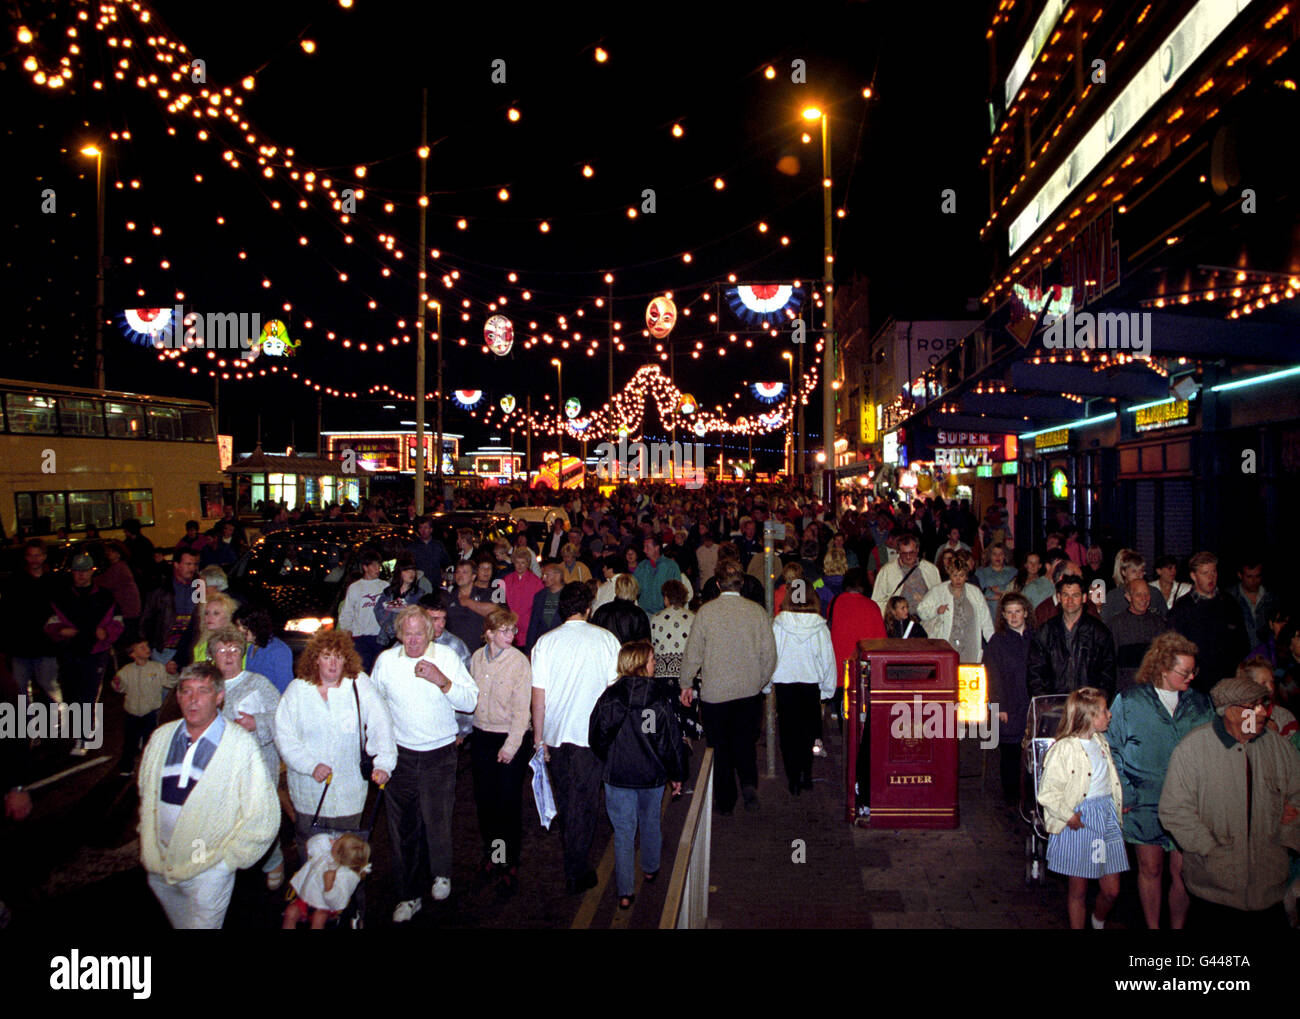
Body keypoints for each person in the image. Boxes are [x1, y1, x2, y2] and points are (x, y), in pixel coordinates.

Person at [138, 662, 280, 928]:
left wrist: (228, 862)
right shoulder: (161, 737)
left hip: (208, 867)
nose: (193, 700)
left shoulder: (239, 744)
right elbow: (147, 793)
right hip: (160, 863)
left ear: (219, 697)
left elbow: (264, 814)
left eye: (202, 691)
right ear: (177, 695)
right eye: (186, 691)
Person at [1159, 675, 1300, 927]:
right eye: (1253, 706)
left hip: (1269, 890)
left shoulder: (1279, 748)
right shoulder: (1193, 749)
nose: (1262, 713)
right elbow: (1174, 810)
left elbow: (1297, 795)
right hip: (1213, 892)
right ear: (1232, 712)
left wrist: (1286, 839)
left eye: (1262, 705)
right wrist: (1209, 849)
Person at [370, 606, 478, 921]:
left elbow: (470, 701)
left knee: (437, 819)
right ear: (399, 633)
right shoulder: (387, 661)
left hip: (440, 754)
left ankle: (441, 872)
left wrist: (442, 681)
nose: (414, 640)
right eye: (408, 633)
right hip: (400, 755)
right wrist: (379, 753)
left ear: (429, 633)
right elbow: (375, 709)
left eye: (420, 633)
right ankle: (408, 895)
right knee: (402, 828)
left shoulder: (446, 658)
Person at [1107, 632, 1213, 929]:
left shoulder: (1202, 704)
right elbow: (1111, 748)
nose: (1191, 677)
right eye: (1184, 672)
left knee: (1183, 873)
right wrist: (1125, 792)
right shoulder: (1129, 701)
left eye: (1194, 671)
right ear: (1163, 669)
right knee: (1150, 869)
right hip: (1144, 802)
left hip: (1187, 803)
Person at [274, 628, 395, 862]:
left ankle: (344, 897)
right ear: (315, 659)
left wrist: (384, 764)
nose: (332, 663)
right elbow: (284, 736)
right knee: (311, 856)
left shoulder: (359, 684)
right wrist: (310, 765)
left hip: (348, 792)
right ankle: (309, 896)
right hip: (309, 792)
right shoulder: (297, 690)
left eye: (338, 657)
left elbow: (383, 724)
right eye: (326, 656)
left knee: (346, 858)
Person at [530, 582, 621, 894]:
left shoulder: (544, 643)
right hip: (590, 735)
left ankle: (574, 859)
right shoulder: (607, 640)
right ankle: (576, 867)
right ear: (588, 608)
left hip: (555, 736)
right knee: (585, 802)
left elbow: (538, 696)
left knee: (568, 800)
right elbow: (614, 693)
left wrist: (538, 739)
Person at [588, 640, 689, 910]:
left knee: (623, 832)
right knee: (650, 821)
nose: (656, 663)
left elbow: (597, 736)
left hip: (618, 775)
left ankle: (624, 892)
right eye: (653, 659)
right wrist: (676, 774)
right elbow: (668, 741)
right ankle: (650, 867)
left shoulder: (610, 697)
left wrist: (609, 757)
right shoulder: (657, 699)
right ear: (642, 664)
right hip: (651, 775)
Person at [679, 562, 778, 815]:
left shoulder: (706, 612)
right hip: (748, 692)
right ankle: (748, 785)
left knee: (720, 749)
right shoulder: (756, 612)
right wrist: (760, 680)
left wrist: (686, 683)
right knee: (745, 743)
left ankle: (725, 801)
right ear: (742, 583)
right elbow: (770, 655)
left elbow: (693, 653)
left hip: (715, 694)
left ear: (717, 583)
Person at [1036, 686, 1127, 929]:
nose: (1109, 715)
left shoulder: (1101, 741)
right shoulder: (1064, 749)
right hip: (1080, 819)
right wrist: (1068, 816)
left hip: (1105, 815)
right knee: (1079, 888)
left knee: (1112, 889)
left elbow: (1109, 778)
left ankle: (1098, 920)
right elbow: (1047, 792)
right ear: (1088, 716)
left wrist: (1117, 803)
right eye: (1104, 711)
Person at [208, 625, 285, 888]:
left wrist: (258, 723)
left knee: (261, 817)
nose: (228, 655)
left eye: (234, 649)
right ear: (212, 656)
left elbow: (282, 718)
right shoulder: (206, 686)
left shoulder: (258, 683)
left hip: (259, 764)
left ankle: (273, 860)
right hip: (221, 767)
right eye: (221, 650)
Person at [468, 609, 534, 897]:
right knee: (486, 803)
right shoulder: (476, 658)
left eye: (513, 630)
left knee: (507, 804)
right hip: (482, 736)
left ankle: (508, 862)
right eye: (505, 631)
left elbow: (523, 711)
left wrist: (510, 747)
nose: (512, 636)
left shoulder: (519, 662)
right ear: (490, 633)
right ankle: (493, 854)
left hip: (510, 739)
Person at [45, 553, 123, 755]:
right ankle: (79, 730)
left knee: (89, 693)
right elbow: (50, 622)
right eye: (77, 571)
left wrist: (106, 633)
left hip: (96, 651)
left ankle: (85, 735)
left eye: (85, 570)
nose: (81, 575)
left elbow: (119, 621)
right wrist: (60, 631)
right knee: (71, 693)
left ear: (92, 571)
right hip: (70, 651)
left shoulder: (105, 596)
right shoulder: (62, 596)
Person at [771, 584, 836, 795]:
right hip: (810, 686)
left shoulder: (779, 625)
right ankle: (806, 774)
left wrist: (766, 684)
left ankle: (793, 779)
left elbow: (772, 656)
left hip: (785, 686)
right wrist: (827, 689)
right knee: (808, 733)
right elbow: (827, 660)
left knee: (789, 735)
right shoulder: (820, 628)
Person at [1170, 551, 1250, 694]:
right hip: (1197, 685)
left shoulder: (1230, 603)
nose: (1211, 577)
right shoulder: (1182, 609)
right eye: (1205, 573)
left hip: (1230, 683)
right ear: (1193, 576)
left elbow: (1243, 643)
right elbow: (1175, 649)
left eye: (1213, 572)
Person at [1027, 575, 1117, 699]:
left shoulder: (1099, 633)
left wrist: (1097, 701)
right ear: (1058, 597)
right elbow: (1034, 673)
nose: (1070, 600)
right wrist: (1045, 702)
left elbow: (1108, 674)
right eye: (1065, 595)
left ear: (1084, 598)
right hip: (1053, 707)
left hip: (1087, 707)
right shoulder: (1045, 631)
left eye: (1075, 595)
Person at [983, 593, 1033, 802]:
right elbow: (991, 676)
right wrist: (999, 706)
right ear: (1003, 615)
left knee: (1032, 754)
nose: (1014, 617)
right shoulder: (997, 641)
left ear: (1026, 613)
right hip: (1009, 704)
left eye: (1018, 612)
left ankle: (1031, 796)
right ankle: (1011, 798)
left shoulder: (1036, 637)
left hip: (1031, 703)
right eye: (1009, 612)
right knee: (1010, 753)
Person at [2, 538, 63, 704]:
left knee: (49, 687)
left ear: (44, 556)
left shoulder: (54, 581)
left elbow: (61, 612)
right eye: (30, 555)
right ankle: (27, 726)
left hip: (46, 645)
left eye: (38, 555)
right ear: (25, 557)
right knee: (20, 690)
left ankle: (56, 725)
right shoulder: (15, 581)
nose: (34, 559)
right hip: (20, 645)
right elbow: (7, 613)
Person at [282, 832, 371, 929]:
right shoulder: (325, 853)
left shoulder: (348, 876)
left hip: (325, 907)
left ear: (339, 853)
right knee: (290, 912)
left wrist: (329, 886)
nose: (334, 840)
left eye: (337, 842)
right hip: (306, 899)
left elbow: (338, 902)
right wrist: (327, 839)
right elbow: (311, 845)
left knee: (319, 918)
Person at [918, 551, 993, 664]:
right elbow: (921, 610)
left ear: (966, 576)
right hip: (946, 644)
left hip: (969, 645)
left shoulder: (975, 593)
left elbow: (986, 620)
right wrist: (935, 611)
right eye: (955, 575)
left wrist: (993, 643)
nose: (958, 579)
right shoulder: (938, 591)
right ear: (949, 574)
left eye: (961, 575)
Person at [111, 638, 171, 776]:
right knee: (129, 742)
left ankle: (149, 768)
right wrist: (116, 684)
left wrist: (172, 675)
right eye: (141, 647)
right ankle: (126, 767)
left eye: (147, 646)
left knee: (149, 741)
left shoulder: (157, 668)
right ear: (132, 654)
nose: (147, 649)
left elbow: (169, 683)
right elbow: (120, 688)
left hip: (151, 712)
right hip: (132, 712)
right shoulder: (125, 671)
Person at [139, 549, 200, 679]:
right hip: (163, 650)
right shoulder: (160, 589)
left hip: (188, 649)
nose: (192, 568)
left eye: (194, 564)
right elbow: (146, 620)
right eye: (188, 564)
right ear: (176, 564)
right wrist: (145, 647)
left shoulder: (198, 587)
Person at [1108, 578, 1169, 694]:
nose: (1143, 599)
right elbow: (1111, 665)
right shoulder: (1115, 625)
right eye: (1138, 595)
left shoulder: (1159, 624)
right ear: (1128, 597)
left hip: (1154, 689)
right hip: (1125, 689)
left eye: (1146, 594)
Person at [338, 548, 389, 672]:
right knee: (363, 671)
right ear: (365, 567)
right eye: (374, 565)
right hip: (360, 637)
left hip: (380, 636)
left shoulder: (385, 586)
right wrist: (347, 633)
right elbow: (347, 613)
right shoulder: (355, 587)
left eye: (379, 565)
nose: (378, 568)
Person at [871, 534, 940, 619]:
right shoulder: (887, 572)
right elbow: (877, 601)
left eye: (911, 552)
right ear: (898, 551)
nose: (908, 557)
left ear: (917, 550)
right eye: (904, 553)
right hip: (899, 620)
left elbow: (939, 596)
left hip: (927, 619)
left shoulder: (931, 569)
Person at [374, 552, 433, 649]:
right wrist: (388, 627)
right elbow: (378, 610)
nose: (411, 574)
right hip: (387, 639)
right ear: (399, 573)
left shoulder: (419, 594)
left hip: (410, 638)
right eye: (407, 571)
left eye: (413, 570)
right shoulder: (389, 592)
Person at [234, 605, 294, 694]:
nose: (239, 630)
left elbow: (285, 687)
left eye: (244, 627)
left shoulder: (278, 650)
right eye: (238, 626)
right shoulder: (250, 647)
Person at [1237, 656, 1298, 739]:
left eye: (1272, 682)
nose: (1270, 688)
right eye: (1263, 683)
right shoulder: (1236, 717)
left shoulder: (1283, 716)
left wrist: (1277, 738)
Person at [97, 541, 141, 645]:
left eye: (111, 551)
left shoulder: (118, 568)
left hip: (127, 610)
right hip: (130, 609)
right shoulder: (120, 567)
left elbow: (104, 583)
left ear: (118, 554)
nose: (108, 553)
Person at [591, 573, 652, 645]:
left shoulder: (601, 611)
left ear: (616, 589)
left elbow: (593, 638)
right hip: (628, 655)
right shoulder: (639, 614)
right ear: (635, 590)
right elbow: (644, 646)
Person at [502, 547, 545, 648]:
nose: (520, 566)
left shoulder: (537, 582)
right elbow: (501, 603)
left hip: (528, 626)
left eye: (523, 563)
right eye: (517, 562)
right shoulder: (506, 580)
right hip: (509, 624)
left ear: (528, 564)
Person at [1230, 557, 1275, 650]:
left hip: (1268, 653)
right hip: (1239, 655)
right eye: (1249, 577)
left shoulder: (1271, 598)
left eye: (1257, 576)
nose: (1254, 581)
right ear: (1240, 575)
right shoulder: (1229, 598)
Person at [634, 535, 682, 616]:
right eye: (644, 547)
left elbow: (676, 593)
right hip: (644, 612)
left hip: (664, 613)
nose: (644, 550)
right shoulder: (642, 566)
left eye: (647, 547)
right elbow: (634, 588)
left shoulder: (671, 566)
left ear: (657, 548)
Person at [188, 591, 237, 668]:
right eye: (206, 613)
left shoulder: (235, 643)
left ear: (228, 617)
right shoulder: (202, 642)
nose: (209, 617)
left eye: (216, 613)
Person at [524, 562, 566, 652]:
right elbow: (533, 624)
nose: (543, 578)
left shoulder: (569, 595)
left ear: (557, 576)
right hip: (542, 644)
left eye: (547, 575)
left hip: (562, 644)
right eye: (543, 575)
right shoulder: (540, 596)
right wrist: (529, 649)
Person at [407, 516, 451, 589]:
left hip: (436, 585)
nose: (423, 530)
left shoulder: (438, 545)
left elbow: (446, 563)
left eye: (425, 527)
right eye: (421, 528)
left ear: (431, 530)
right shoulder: (412, 547)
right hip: (418, 586)